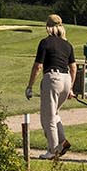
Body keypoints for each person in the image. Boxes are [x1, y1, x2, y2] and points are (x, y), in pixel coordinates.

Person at [26, 14, 75, 159]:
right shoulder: (68, 45)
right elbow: (73, 68)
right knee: (54, 114)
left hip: (53, 79)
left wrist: (30, 86)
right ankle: (62, 141)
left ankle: (53, 151)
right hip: (66, 80)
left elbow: (38, 66)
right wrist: (70, 88)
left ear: (48, 27)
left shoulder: (45, 43)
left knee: (48, 118)